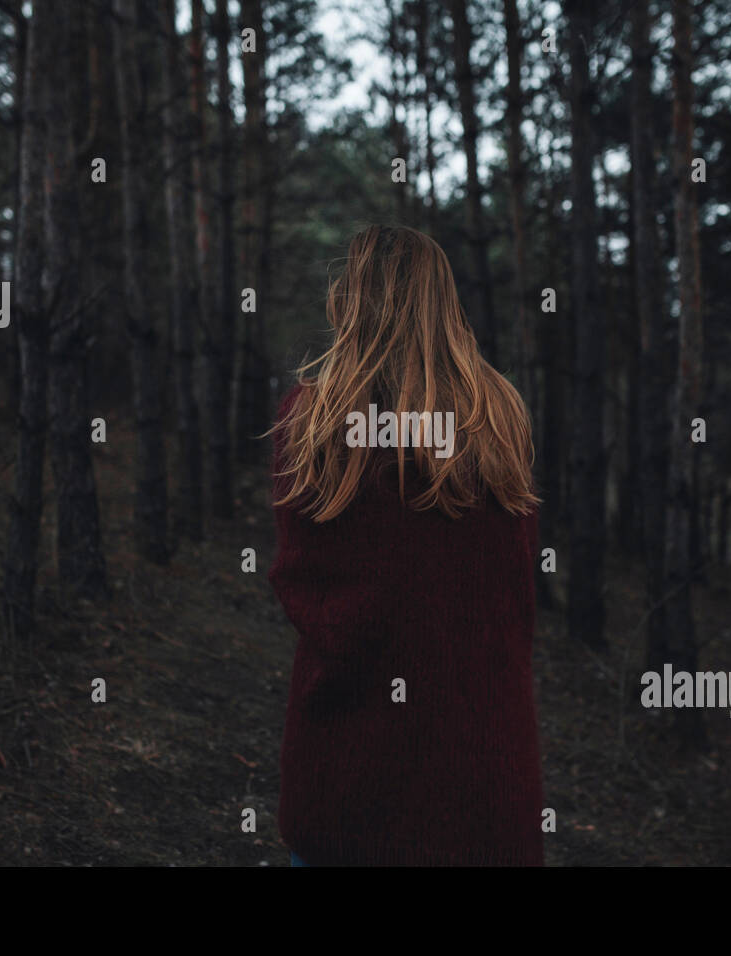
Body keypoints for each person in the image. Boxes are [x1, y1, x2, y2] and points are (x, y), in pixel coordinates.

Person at [267, 224, 545, 866]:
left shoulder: (313, 419)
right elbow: (513, 593)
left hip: (348, 777)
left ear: (352, 299)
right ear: (444, 301)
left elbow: (305, 587)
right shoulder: (499, 415)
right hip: (485, 775)